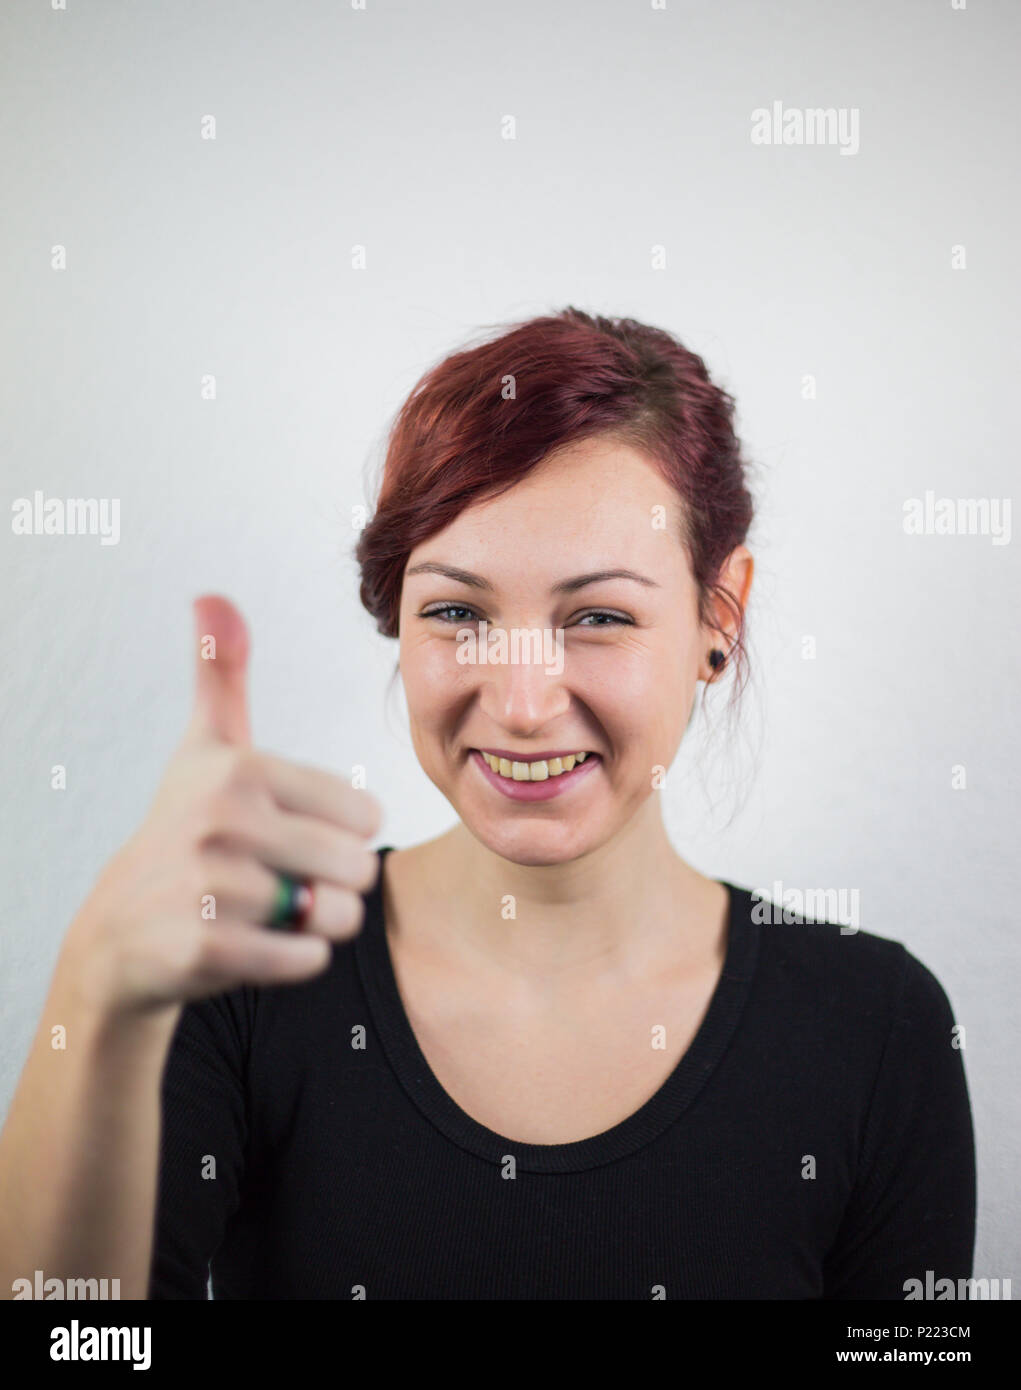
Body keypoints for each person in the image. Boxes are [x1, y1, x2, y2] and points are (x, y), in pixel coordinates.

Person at [0, 309, 975, 1300]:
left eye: (597, 616)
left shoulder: (877, 1029)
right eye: (457, 612)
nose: (518, 704)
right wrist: (95, 988)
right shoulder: (247, 975)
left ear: (716, 620)